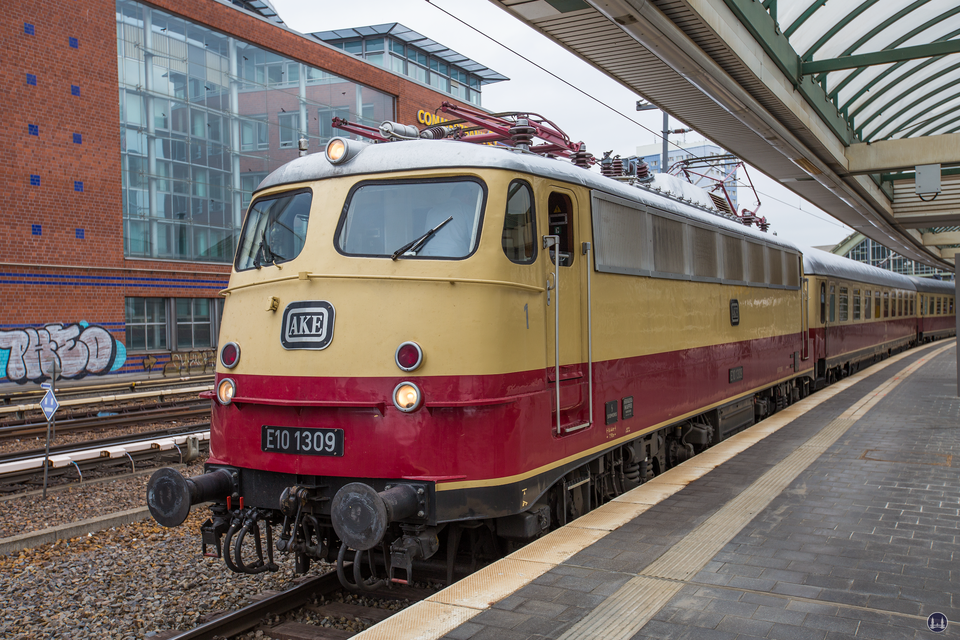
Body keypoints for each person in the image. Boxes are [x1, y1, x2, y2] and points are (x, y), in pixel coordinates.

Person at [418, 184, 478, 257]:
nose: (470, 202)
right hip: (455, 257)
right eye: (470, 200)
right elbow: (475, 238)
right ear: (467, 196)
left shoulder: (433, 210)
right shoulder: (466, 209)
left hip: (428, 256)